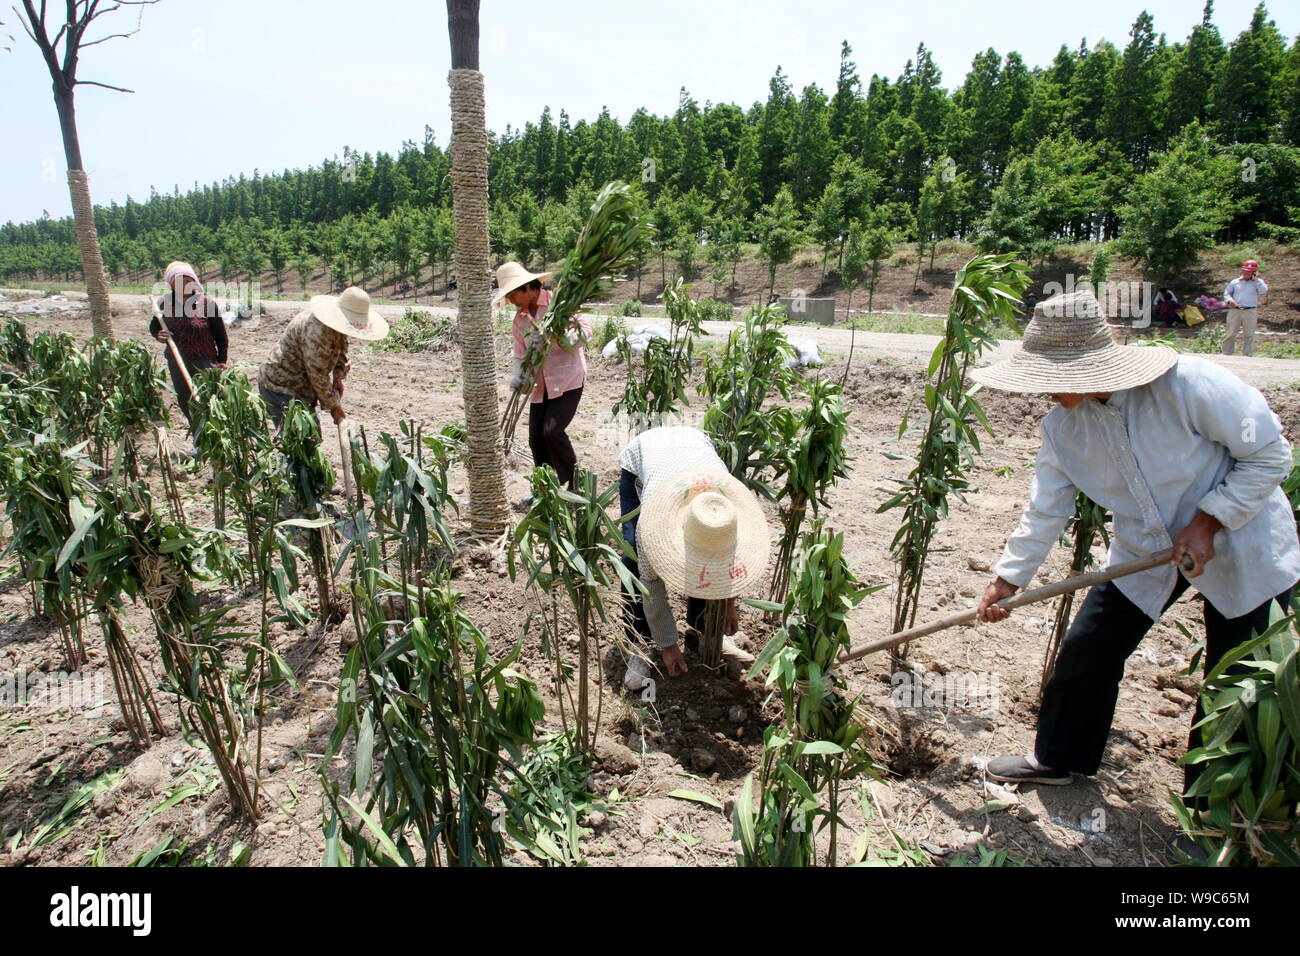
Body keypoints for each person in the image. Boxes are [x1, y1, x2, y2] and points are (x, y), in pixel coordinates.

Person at [966, 289, 1298, 804]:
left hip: (1244, 543)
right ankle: (1059, 757)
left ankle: (1215, 811)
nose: (1046, 393)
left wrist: (1208, 521)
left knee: (1237, 679)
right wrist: (1009, 578)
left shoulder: (1187, 386)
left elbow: (1271, 455)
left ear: (1091, 368)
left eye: (1054, 381)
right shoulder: (1062, 427)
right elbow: (1047, 508)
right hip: (1145, 550)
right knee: (1089, 649)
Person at [617, 425, 769, 691]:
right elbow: (650, 586)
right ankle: (640, 644)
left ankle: (704, 628)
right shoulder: (653, 525)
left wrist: (728, 604)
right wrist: (668, 646)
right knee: (632, 556)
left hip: (694, 448)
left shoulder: (728, 511)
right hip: (645, 460)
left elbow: (729, 559)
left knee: (711, 550)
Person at [497, 261, 590, 488]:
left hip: (567, 380)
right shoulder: (519, 319)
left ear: (527, 289)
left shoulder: (559, 305)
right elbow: (520, 354)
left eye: (511, 295)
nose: (510, 301)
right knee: (536, 439)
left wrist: (560, 340)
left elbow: (585, 331)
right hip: (540, 385)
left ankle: (575, 484)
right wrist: (520, 377)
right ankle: (546, 488)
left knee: (553, 431)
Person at [257, 286, 388, 430]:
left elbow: (342, 349)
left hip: (301, 387)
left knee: (309, 439)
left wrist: (338, 377)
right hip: (281, 387)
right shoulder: (317, 331)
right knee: (301, 441)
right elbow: (317, 374)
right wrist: (334, 406)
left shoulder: (336, 325)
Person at [150, 261, 228, 434]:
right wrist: (158, 335)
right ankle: (198, 439)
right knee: (187, 400)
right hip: (178, 361)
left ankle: (216, 438)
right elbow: (155, 326)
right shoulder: (164, 303)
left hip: (205, 361)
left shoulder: (207, 304)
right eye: (178, 281)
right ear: (170, 284)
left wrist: (222, 360)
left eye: (187, 280)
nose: (184, 284)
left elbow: (221, 336)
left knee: (210, 399)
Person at [1221, 260, 1269, 357]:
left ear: (1254, 272)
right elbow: (1227, 293)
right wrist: (1230, 300)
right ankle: (1226, 353)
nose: (1246, 273)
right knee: (1231, 332)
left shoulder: (1257, 282)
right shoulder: (1235, 282)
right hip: (1235, 310)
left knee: (1249, 333)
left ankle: (1247, 354)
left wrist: (1257, 280)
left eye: (1249, 271)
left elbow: (1263, 290)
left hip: (1250, 310)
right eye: (1245, 270)